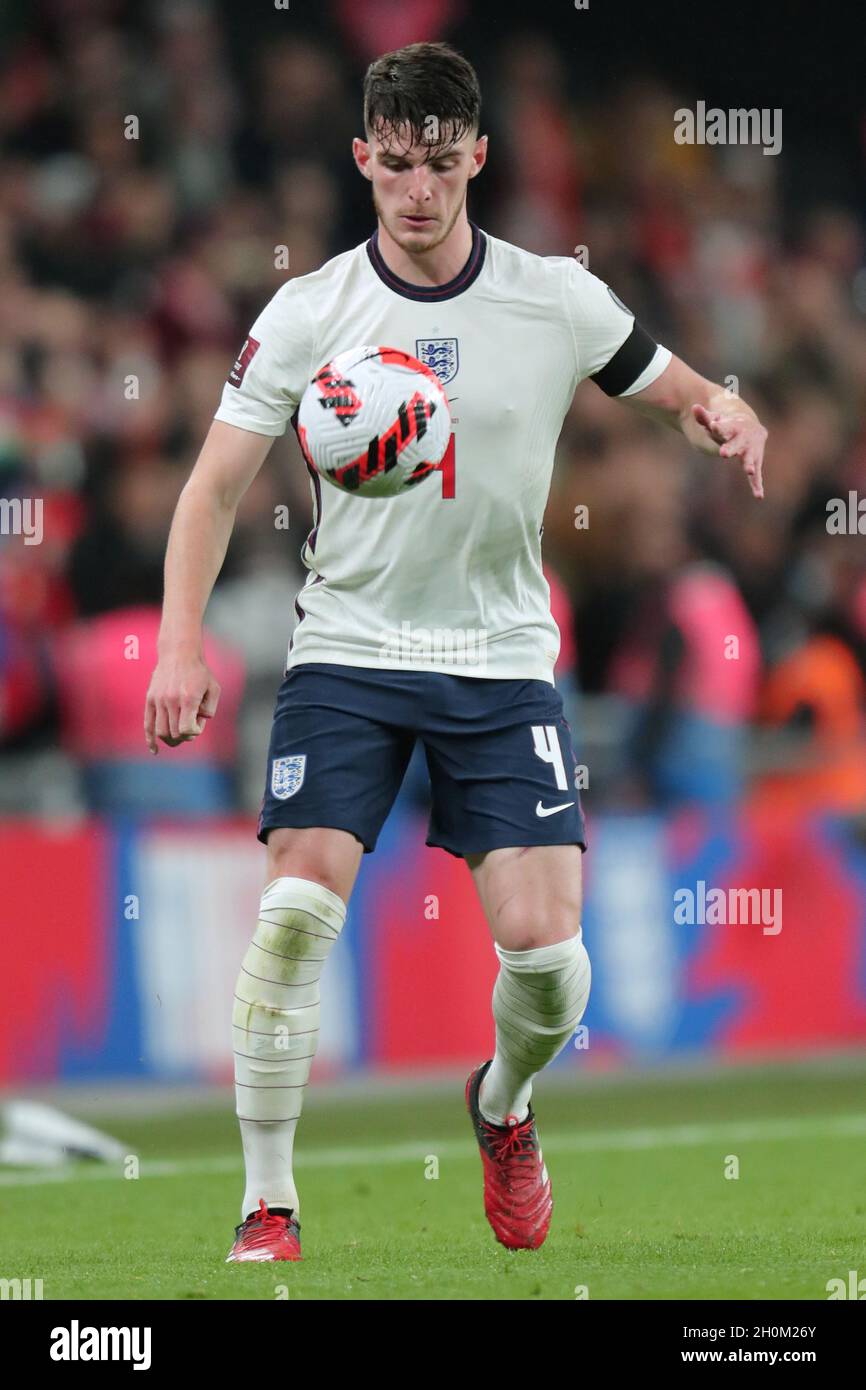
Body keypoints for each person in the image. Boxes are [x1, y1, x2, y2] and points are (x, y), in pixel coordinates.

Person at [143, 42, 767, 1262]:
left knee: (549, 967)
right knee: (288, 917)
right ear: (361, 158)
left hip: (500, 658)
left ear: (475, 157)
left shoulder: (554, 296)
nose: (416, 190)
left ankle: (500, 1105)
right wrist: (180, 645)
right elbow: (212, 488)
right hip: (347, 655)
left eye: (438, 164)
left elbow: (672, 385)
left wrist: (725, 409)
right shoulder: (309, 311)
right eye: (393, 165)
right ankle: (268, 1202)